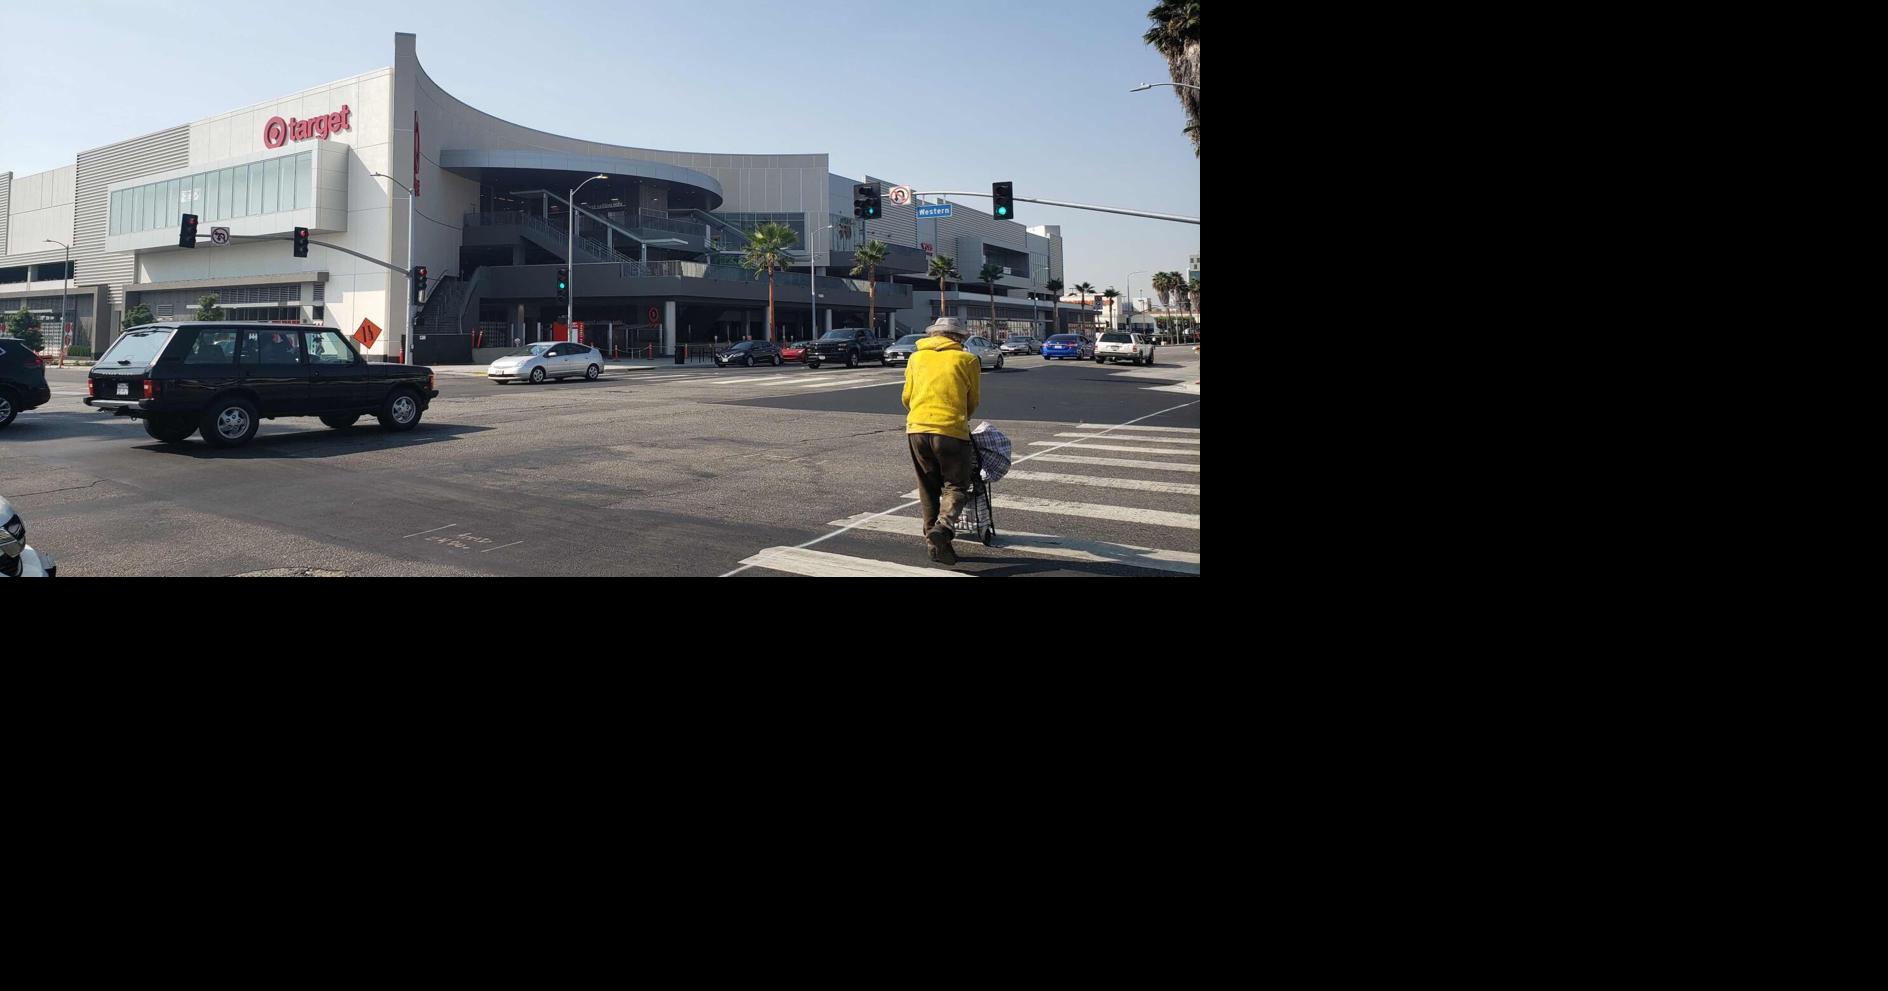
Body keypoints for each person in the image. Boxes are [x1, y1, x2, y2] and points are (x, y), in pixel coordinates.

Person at [901, 316, 981, 566]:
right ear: (958, 338)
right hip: (950, 430)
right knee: (956, 485)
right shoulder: (967, 360)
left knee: (927, 486)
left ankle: (933, 544)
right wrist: (959, 419)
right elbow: (972, 400)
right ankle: (944, 529)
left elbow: (906, 396)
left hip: (917, 428)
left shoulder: (916, 358)